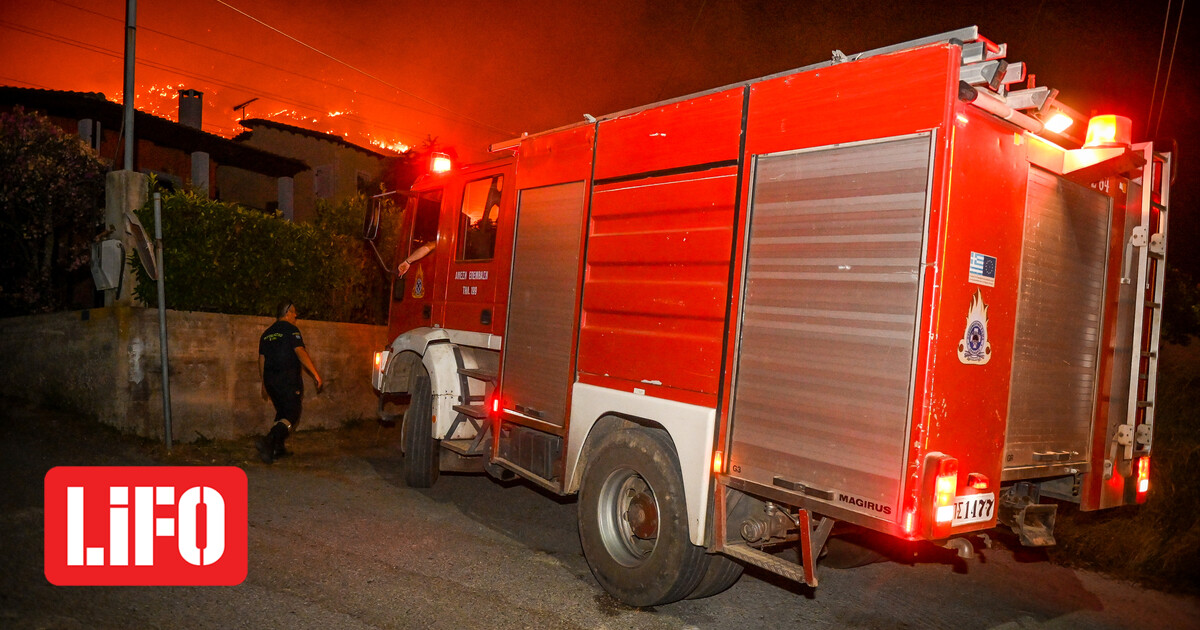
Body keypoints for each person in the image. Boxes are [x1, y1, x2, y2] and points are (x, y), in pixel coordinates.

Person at [256, 301, 323, 464]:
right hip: (288, 379)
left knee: (282, 413)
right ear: (286, 312)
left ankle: (278, 449)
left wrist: (264, 383)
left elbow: (261, 360)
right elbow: (300, 351)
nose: (295, 315)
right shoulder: (292, 330)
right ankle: (269, 440)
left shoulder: (266, 334)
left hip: (271, 381)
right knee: (292, 413)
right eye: (293, 312)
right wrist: (315, 374)